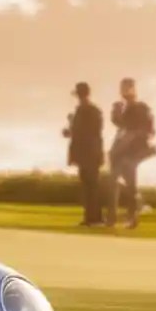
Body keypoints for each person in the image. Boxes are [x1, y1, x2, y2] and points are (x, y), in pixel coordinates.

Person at [107, 77, 156, 228]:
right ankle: (112, 217)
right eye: (122, 88)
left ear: (134, 89)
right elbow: (119, 124)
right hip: (119, 149)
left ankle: (132, 216)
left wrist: (134, 136)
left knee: (129, 184)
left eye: (128, 87)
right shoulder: (121, 107)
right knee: (114, 182)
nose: (124, 91)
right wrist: (115, 113)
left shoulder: (141, 107)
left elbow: (149, 129)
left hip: (133, 151)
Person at [63, 82, 104, 226]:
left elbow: (89, 132)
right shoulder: (87, 110)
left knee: (91, 185)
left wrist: (72, 127)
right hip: (87, 152)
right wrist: (71, 128)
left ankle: (95, 218)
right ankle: (90, 217)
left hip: (89, 152)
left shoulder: (90, 111)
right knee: (88, 186)